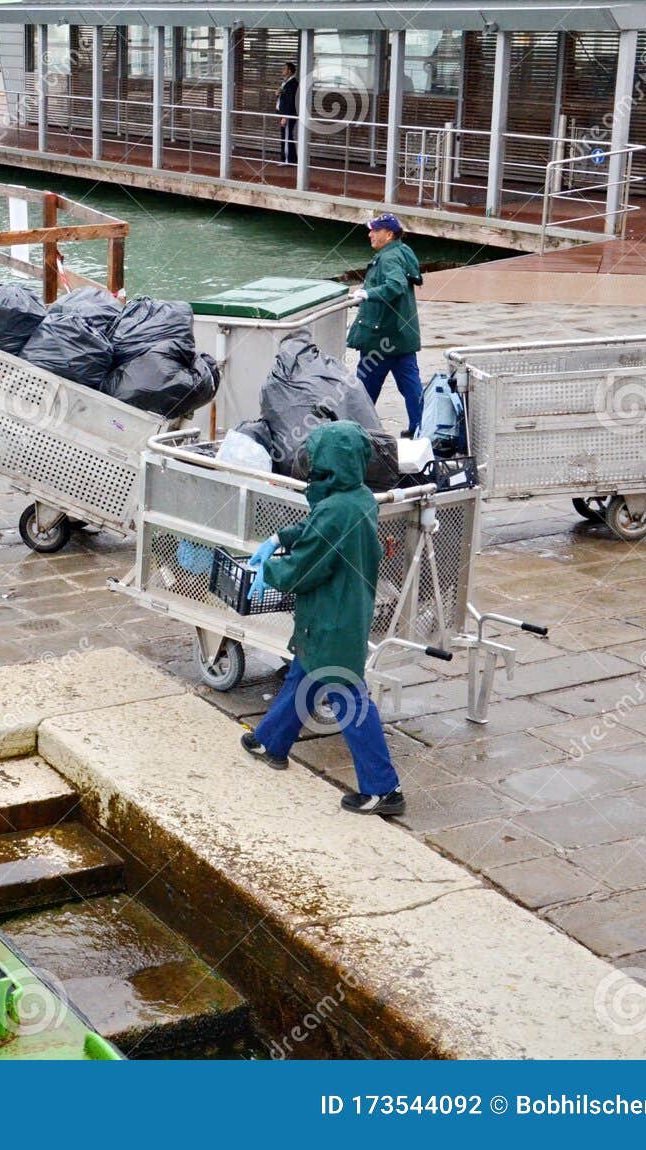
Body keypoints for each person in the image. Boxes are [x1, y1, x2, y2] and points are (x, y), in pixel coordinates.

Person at [239, 421, 405, 816]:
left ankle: (384, 789)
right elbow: (317, 532)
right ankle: (270, 742)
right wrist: (282, 537)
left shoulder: (335, 510)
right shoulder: (357, 497)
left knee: (347, 693)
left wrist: (270, 573)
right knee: (306, 672)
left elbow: (307, 566)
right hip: (345, 608)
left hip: (332, 613)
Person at [348, 213, 424, 436]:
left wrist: (367, 295)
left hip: (381, 341)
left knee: (363, 391)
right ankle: (420, 429)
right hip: (402, 337)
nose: (370, 234)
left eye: (375, 230)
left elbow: (396, 285)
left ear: (389, 234)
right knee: (411, 387)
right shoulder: (403, 251)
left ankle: (357, 433)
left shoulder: (388, 258)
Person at [276, 62, 299, 164]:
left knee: (286, 136)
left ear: (289, 71)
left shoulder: (293, 84)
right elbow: (283, 96)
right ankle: (291, 158)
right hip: (283, 113)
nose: (282, 70)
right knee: (286, 135)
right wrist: (277, 94)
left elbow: (291, 101)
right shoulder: (286, 82)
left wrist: (285, 116)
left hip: (288, 114)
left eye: (284, 68)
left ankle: (287, 159)